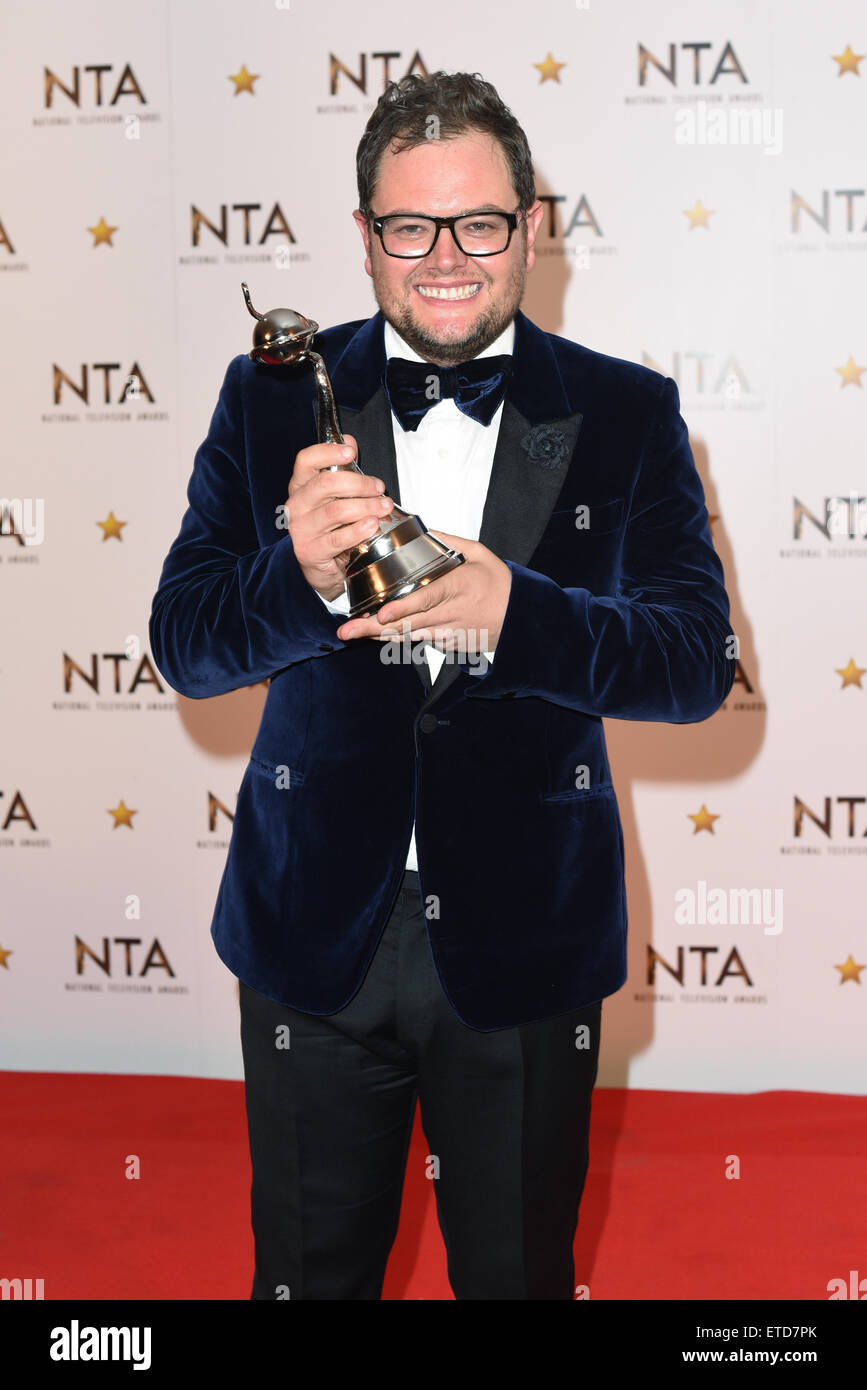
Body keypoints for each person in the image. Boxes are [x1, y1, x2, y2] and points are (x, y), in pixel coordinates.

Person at [149, 70, 734, 1300]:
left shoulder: (629, 414)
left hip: (525, 943)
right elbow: (189, 643)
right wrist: (298, 579)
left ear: (531, 227)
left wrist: (519, 614)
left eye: (478, 223)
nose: (447, 258)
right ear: (366, 238)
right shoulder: (267, 399)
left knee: (518, 1280)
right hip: (314, 935)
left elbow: (693, 665)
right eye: (411, 226)